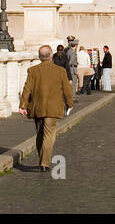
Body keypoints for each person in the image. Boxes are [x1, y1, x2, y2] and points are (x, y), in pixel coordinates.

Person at [18, 44, 75, 172]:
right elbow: (67, 90)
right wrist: (70, 104)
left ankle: (42, 159)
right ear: (51, 56)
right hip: (53, 108)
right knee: (49, 135)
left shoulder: (33, 70)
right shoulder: (60, 71)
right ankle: (45, 162)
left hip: (37, 107)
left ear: (39, 57)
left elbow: (27, 89)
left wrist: (23, 105)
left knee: (40, 134)